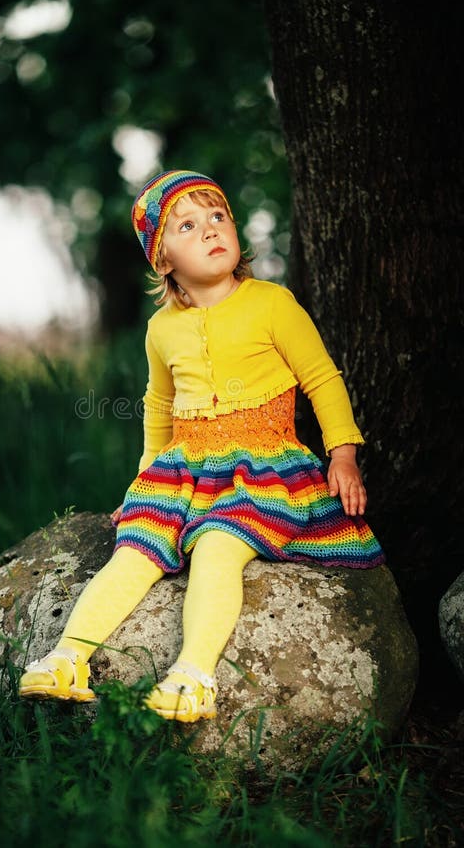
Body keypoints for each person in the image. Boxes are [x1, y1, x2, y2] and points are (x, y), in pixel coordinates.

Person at [19, 169, 385, 721]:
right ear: (162, 259)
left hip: (262, 467)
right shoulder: (161, 329)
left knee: (218, 545)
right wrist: (144, 482)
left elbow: (322, 379)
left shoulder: (272, 303)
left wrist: (343, 454)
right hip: (184, 469)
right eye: (187, 225)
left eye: (218, 216)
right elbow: (158, 408)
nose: (211, 229)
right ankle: (67, 659)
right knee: (135, 548)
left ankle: (192, 676)